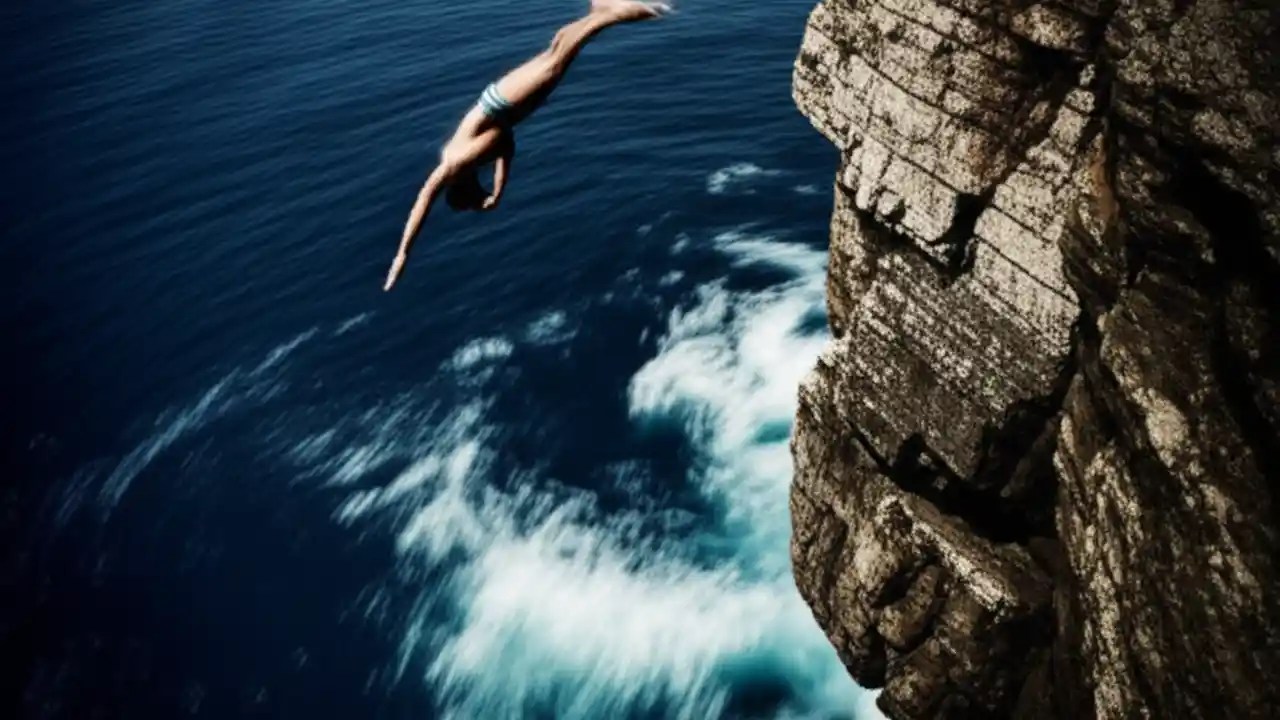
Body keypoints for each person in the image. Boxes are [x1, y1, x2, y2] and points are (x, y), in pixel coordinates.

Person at [383, 0, 671, 291]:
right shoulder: (449, 165)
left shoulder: (459, 162)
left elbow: (502, 141)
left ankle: (650, 8)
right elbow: (423, 200)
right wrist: (402, 252)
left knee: (562, 56)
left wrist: (498, 191)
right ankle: (602, 5)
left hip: (508, 102)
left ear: (467, 188)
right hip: (497, 97)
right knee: (558, 49)